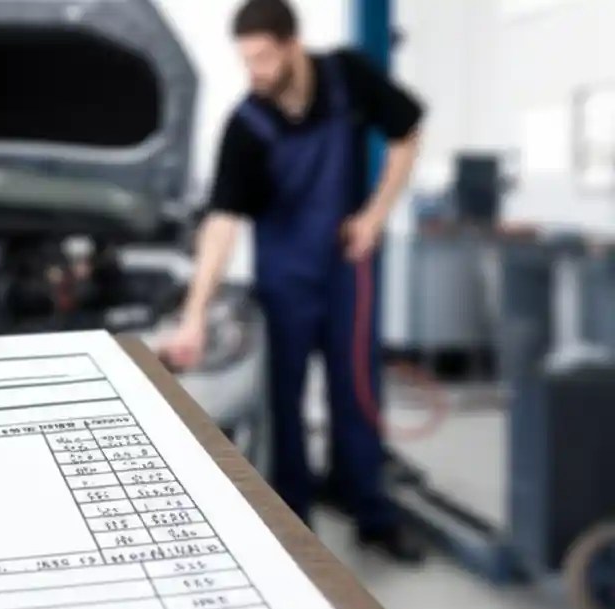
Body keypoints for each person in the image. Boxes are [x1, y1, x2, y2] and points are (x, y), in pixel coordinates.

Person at [160, 0, 425, 562]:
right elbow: (222, 223)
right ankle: (295, 529)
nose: (253, 72)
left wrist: (375, 217)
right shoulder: (247, 125)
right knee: (283, 405)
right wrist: (194, 315)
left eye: (262, 58)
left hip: (347, 269)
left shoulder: (348, 77)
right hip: (284, 281)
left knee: (356, 393)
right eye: (245, 60)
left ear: (292, 45)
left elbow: (407, 132)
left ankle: (372, 513)